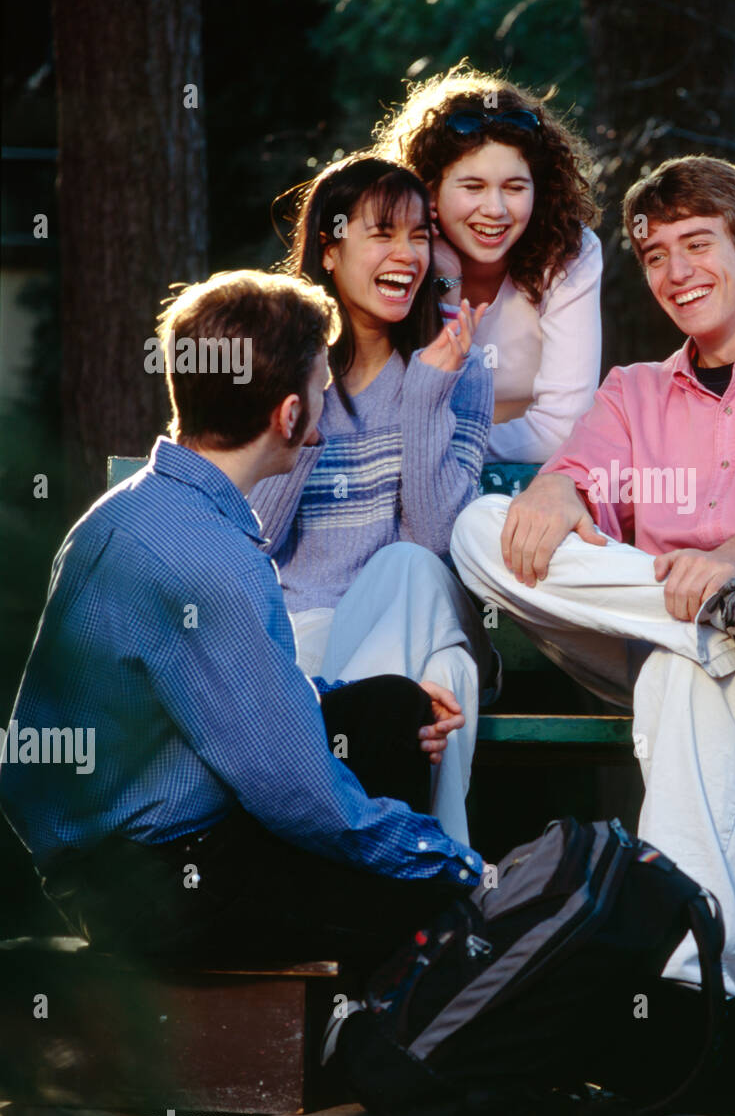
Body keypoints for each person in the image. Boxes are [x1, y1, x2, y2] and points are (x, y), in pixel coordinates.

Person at [450, 155, 735, 998]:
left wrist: (734, 561)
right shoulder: (635, 392)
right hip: (669, 618)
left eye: (697, 245)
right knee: (482, 528)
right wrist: (553, 484)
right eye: (655, 255)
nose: (675, 272)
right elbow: (573, 482)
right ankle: (729, 617)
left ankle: (690, 987)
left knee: (688, 675)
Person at [0, 271, 483, 970]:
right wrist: (446, 860)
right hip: (158, 887)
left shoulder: (133, 511)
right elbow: (296, 793)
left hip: (121, 846)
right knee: (424, 908)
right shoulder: (212, 560)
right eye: (322, 387)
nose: (326, 406)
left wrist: (338, 705)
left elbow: (220, 692)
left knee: (391, 709)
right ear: (288, 415)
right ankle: (360, 1033)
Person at [251, 155, 497, 843]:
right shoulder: (282, 371)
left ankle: (339, 839)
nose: (407, 254)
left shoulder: (456, 367)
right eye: (383, 232)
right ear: (330, 251)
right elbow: (256, 538)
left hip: (423, 601)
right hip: (310, 636)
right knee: (444, 680)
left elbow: (440, 541)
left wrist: (424, 398)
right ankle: (440, 880)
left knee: (409, 568)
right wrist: (311, 396)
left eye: (420, 235)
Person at [374, 62, 602, 462]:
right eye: (473, 186)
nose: (495, 209)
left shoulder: (569, 251)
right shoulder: (390, 258)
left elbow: (563, 428)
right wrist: (446, 283)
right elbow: (395, 411)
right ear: (428, 191)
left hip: (529, 472)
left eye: (514, 187)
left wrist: (451, 448)